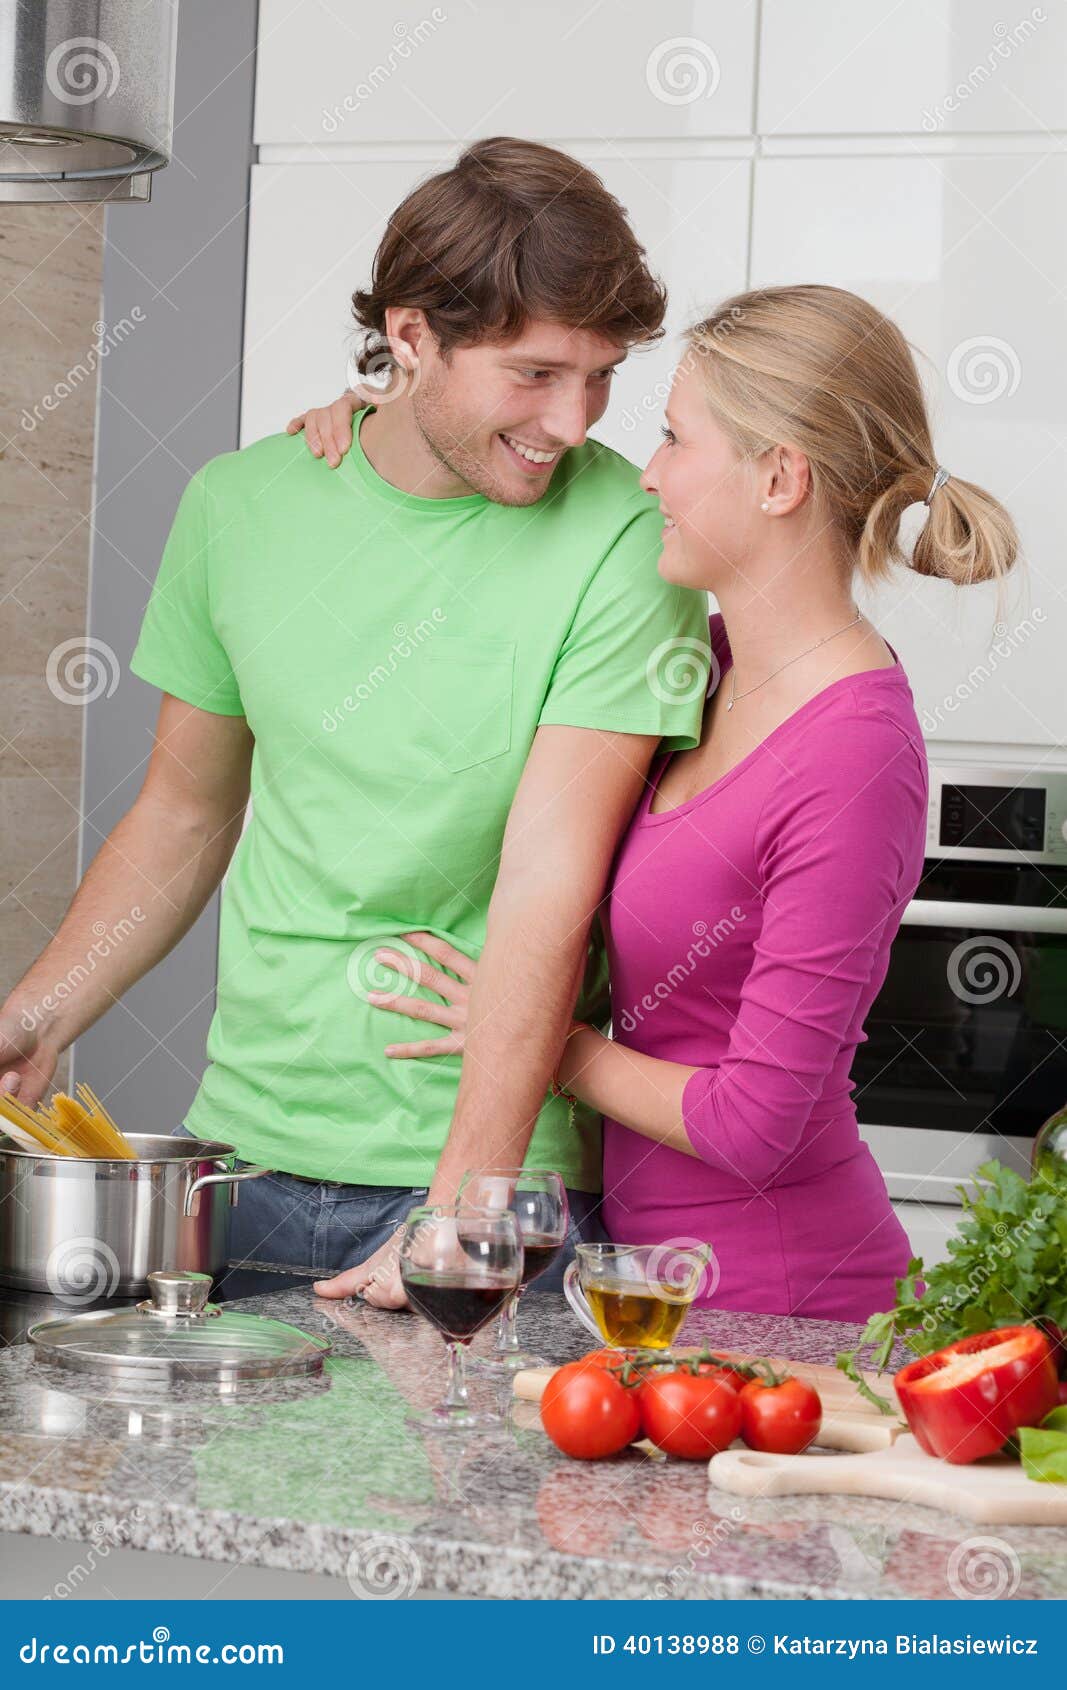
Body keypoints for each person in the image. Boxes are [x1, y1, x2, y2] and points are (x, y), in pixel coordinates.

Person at [0, 138, 710, 1305]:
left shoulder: (626, 542)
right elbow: (183, 815)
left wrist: (465, 1204)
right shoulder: (240, 506)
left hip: (486, 1178)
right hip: (241, 1162)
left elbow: (549, 881)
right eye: (535, 373)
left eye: (600, 377)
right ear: (411, 336)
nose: (572, 422)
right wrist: (39, 1012)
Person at [316, 284, 1020, 1320]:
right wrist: (380, 420)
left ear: (778, 478)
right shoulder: (708, 662)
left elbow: (755, 1122)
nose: (646, 473)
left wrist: (532, 1034)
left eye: (674, 439)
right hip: (646, 1285)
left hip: (781, 1303)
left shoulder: (855, 752)